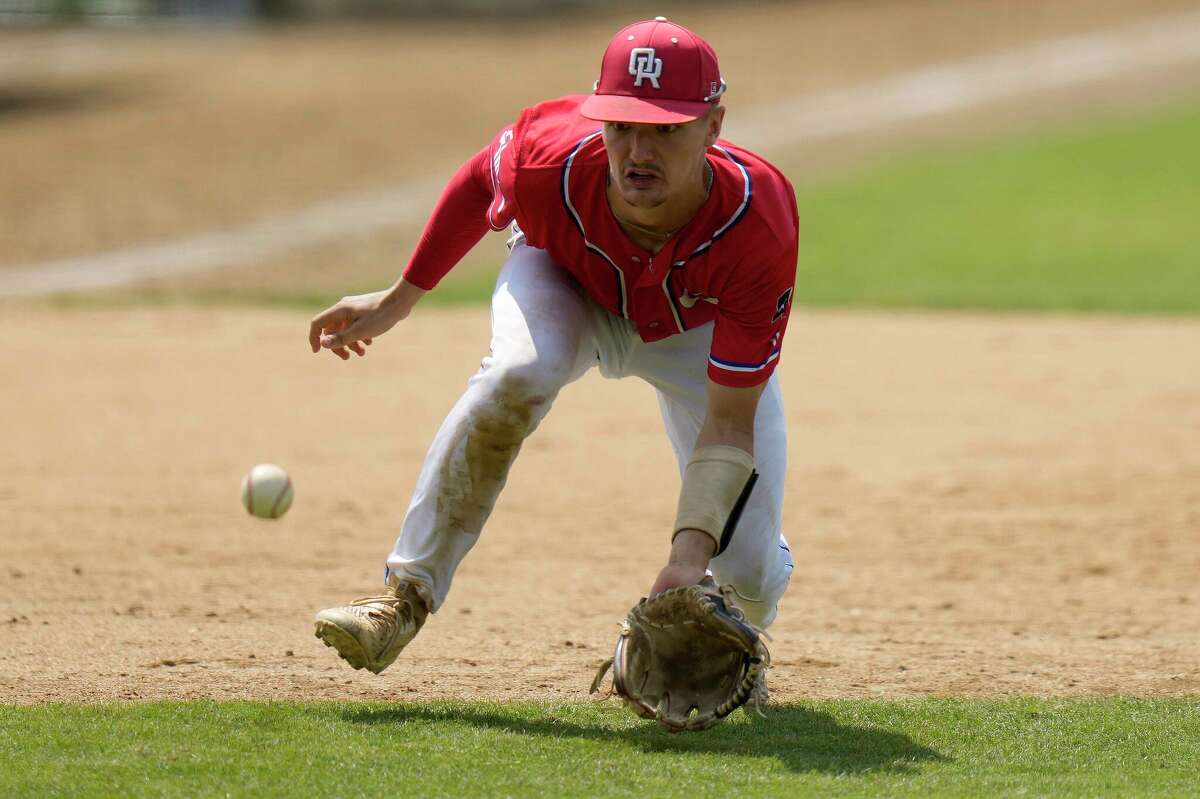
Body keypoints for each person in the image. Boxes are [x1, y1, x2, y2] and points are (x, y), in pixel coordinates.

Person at [308, 17, 798, 680]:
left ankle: (745, 620)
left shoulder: (757, 222)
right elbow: (481, 179)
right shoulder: (552, 160)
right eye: (621, 125)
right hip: (570, 277)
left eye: (665, 129)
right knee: (517, 370)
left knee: (748, 570)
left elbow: (729, 420)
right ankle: (403, 597)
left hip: (692, 325)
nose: (637, 151)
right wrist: (398, 299)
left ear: (714, 125)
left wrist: (688, 559)